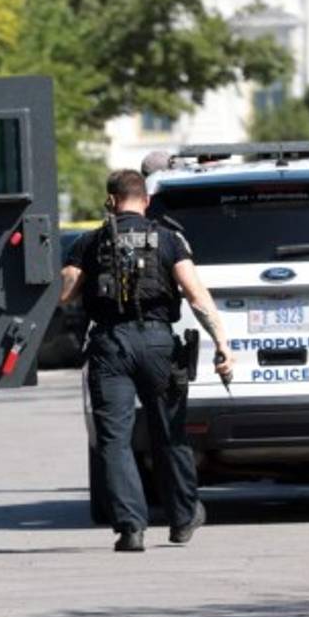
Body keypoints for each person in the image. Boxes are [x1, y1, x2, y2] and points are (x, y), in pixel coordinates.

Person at [60, 169, 233, 552]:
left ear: (110, 200)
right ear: (146, 200)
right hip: (157, 342)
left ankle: (131, 527)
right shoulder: (169, 239)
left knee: (115, 440)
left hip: (109, 345)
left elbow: (65, 292)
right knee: (169, 431)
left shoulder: (90, 242)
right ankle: (184, 518)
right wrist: (222, 342)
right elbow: (196, 295)